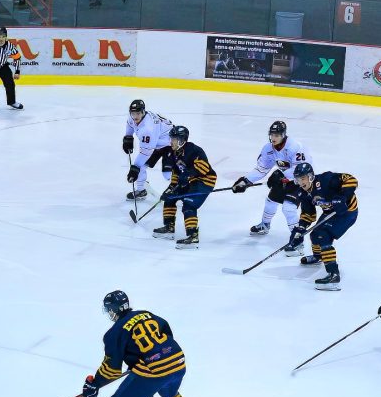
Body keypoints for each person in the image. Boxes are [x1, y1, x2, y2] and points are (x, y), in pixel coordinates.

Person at [231, 121, 312, 250]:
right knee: (270, 202)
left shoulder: (295, 147)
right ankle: (265, 225)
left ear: (283, 135)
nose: (274, 138)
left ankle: (297, 239)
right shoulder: (268, 149)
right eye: (272, 135)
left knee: (288, 208)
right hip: (284, 180)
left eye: (277, 135)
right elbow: (261, 169)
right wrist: (246, 181)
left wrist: (282, 175)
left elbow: (302, 168)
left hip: (300, 182)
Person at [285, 162, 358, 290]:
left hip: (347, 213)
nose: (301, 182)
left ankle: (333, 274)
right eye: (298, 179)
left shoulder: (325, 180)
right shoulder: (304, 193)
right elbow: (308, 214)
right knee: (314, 234)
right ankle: (318, 256)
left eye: (303, 178)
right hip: (330, 212)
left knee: (322, 235)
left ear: (311, 176)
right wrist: (300, 229)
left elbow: (351, 179)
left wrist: (343, 197)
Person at [149, 125, 217, 249]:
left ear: (181, 140)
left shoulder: (194, 150)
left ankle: (193, 236)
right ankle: (169, 228)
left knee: (189, 204)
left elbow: (204, 168)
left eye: (174, 139)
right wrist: (172, 187)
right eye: (171, 138)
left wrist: (188, 175)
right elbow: (176, 173)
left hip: (204, 181)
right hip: (189, 181)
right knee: (170, 198)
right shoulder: (174, 153)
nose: (171, 141)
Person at [124, 99, 173, 201]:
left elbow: (145, 153)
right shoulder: (132, 118)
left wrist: (134, 168)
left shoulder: (148, 129)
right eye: (133, 113)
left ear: (143, 112)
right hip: (156, 143)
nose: (135, 116)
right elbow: (130, 124)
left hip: (171, 144)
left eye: (138, 113)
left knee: (167, 174)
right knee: (140, 167)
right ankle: (141, 191)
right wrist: (128, 137)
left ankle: (183, 190)